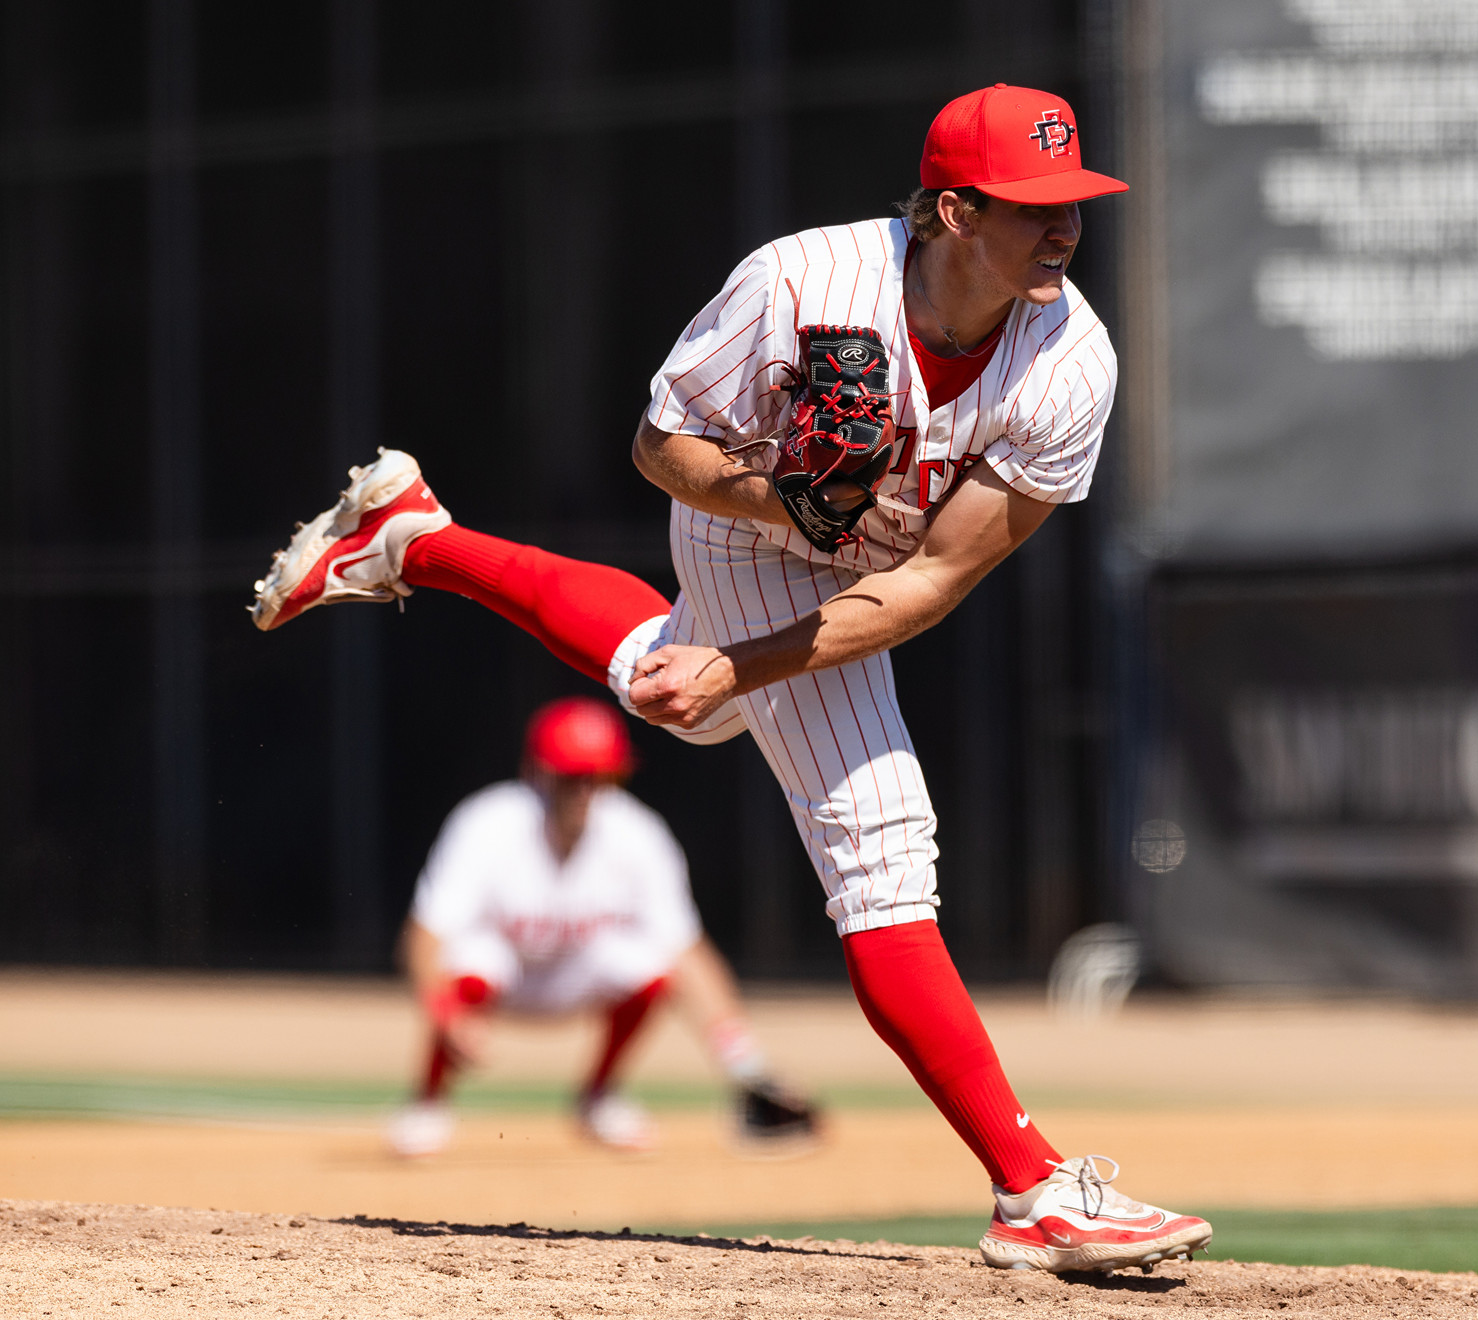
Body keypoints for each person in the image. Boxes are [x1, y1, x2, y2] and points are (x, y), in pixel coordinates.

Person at [248, 85, 1210, 1274]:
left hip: (872, 565)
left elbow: (929, 584)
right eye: (1035, 207)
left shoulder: (1073, 361)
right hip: (743, 525)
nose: (1066, 229)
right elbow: (660, 448)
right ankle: (1034, 1191)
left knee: (683, 694)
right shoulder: (799, 285)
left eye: (1075, 204)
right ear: (956, 209)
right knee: (881, 841)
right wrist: (778, 502)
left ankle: (413, 538)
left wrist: (734, 665)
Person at [389, 694, 818, 1158]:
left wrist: (747, 1066)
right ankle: (427, 1103)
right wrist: (446, 1015)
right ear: (537, 771)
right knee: (472, 956)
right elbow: (426, 935)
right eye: (574, 775)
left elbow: (685, 951)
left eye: (601, 775)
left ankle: (598, 1099)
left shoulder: (636, 832)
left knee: (648, 963)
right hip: (500, 974)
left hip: (576, 974)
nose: (587, 790)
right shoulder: (489, 822)